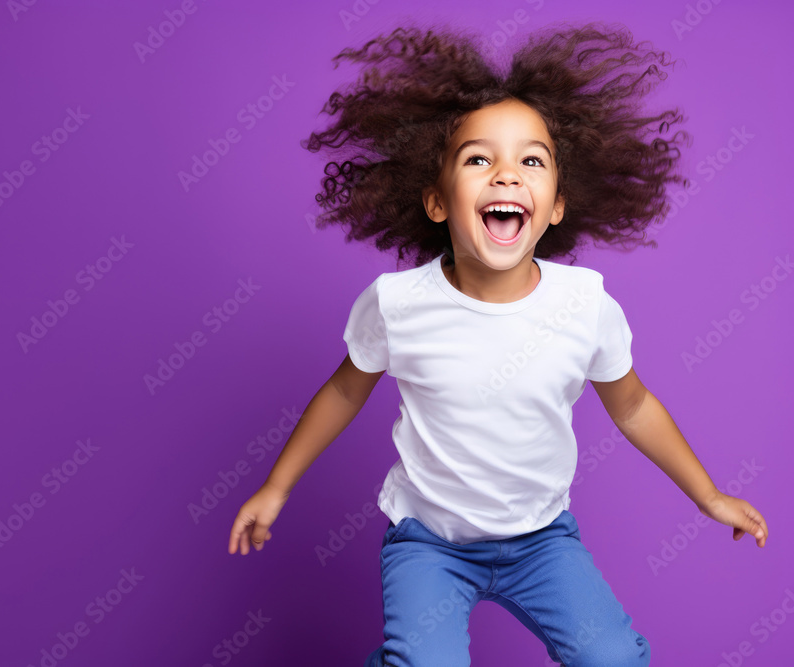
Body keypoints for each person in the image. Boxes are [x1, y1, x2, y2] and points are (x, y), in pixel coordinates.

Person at [227, 20, 769, 666]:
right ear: (435, 200)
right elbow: (344, 390)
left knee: (616, 659)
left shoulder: (584, 305)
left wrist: (706, 493)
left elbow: (632, 405)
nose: (506, 175)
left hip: (542, 542)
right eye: (479, 159)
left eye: (531, 161)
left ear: (557, 205)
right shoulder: (399, 305)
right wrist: (277, 487)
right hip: (430, 544)